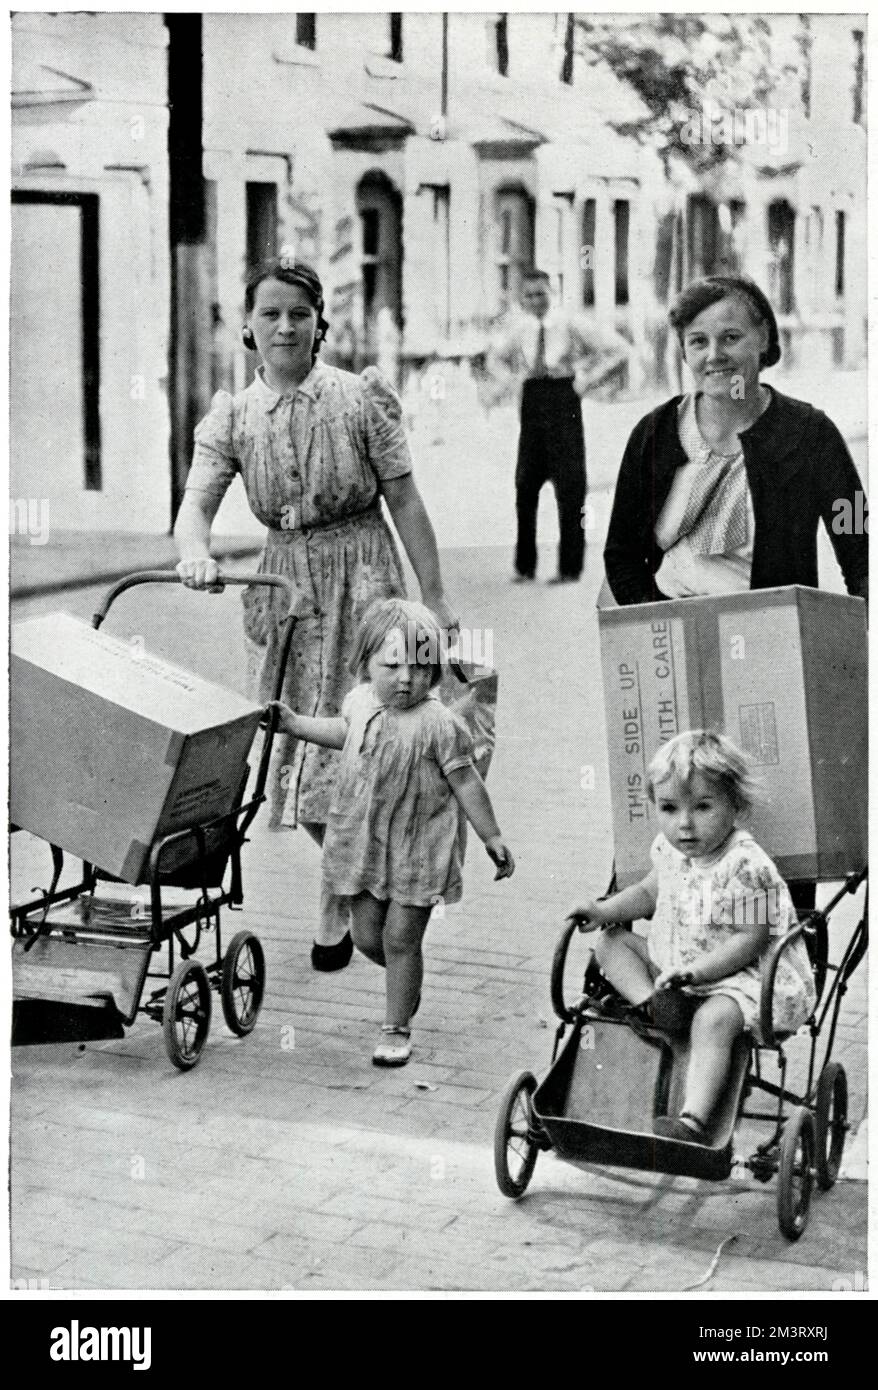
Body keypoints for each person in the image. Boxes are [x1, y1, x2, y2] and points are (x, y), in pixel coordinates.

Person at [174, 257, 459, 973]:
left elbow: (407, 500)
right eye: (269, 313)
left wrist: (435, 595)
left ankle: (346, 897)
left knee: (365, 732)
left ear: (319, 323)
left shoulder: (361, 400)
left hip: (363, 578)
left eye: (298, 312)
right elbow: (195, 508)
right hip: (283, 594)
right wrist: (195, 554)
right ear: (248, 324)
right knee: (295, 754)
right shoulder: (233, 415)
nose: (284, 326)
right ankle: (346, 877)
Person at [270, 599, 515, 1067]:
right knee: (366, 937)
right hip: (364, 842)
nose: (407, 678)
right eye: (393, 665)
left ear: (437, 670)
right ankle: (406, 978)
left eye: (422, 667)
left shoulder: (439, 723)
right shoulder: (359, 702)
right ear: (364, 663)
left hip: (419, 846)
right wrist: (296, 725)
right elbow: (345, 732)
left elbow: (466, 780)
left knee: (401, 939)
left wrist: (492, 836)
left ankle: (397, 1025)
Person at [568, 730, 816, 1143]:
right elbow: (648, 893)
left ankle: (694, 1121)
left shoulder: (746, 866)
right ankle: (656, 1007)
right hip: (678, 973)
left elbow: (750, 939)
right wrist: (602, 910)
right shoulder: (670, 851)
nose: (684, 824)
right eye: (669, 808)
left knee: (714, 1019)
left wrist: (696, 974)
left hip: (741, 979)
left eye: (703, 807)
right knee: (611, 944)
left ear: (735, 805)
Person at [604, 273, 868, 606]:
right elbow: (621, 554)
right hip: (672, 635)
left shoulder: (811, 434)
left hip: (774, 634)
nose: (714, 355)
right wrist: (654, 618)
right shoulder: (655, 433)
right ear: (684, 352)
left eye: (731, 337)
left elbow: (861, 546)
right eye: (698, 341)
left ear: (763, 338)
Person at [487, 268, 630, 585]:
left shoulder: (571, 322)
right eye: (529, 295)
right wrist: (510, 381)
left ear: (552, 293)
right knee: (525, 485)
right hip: (533, 399)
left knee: (570, 486)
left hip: (563, 397)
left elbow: (618, 349)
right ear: (522, 298)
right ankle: (524, 566)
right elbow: (494, 358)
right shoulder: (519, 327)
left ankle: (569, 567)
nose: (536, 301)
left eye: (541, 294)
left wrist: (587, 381)